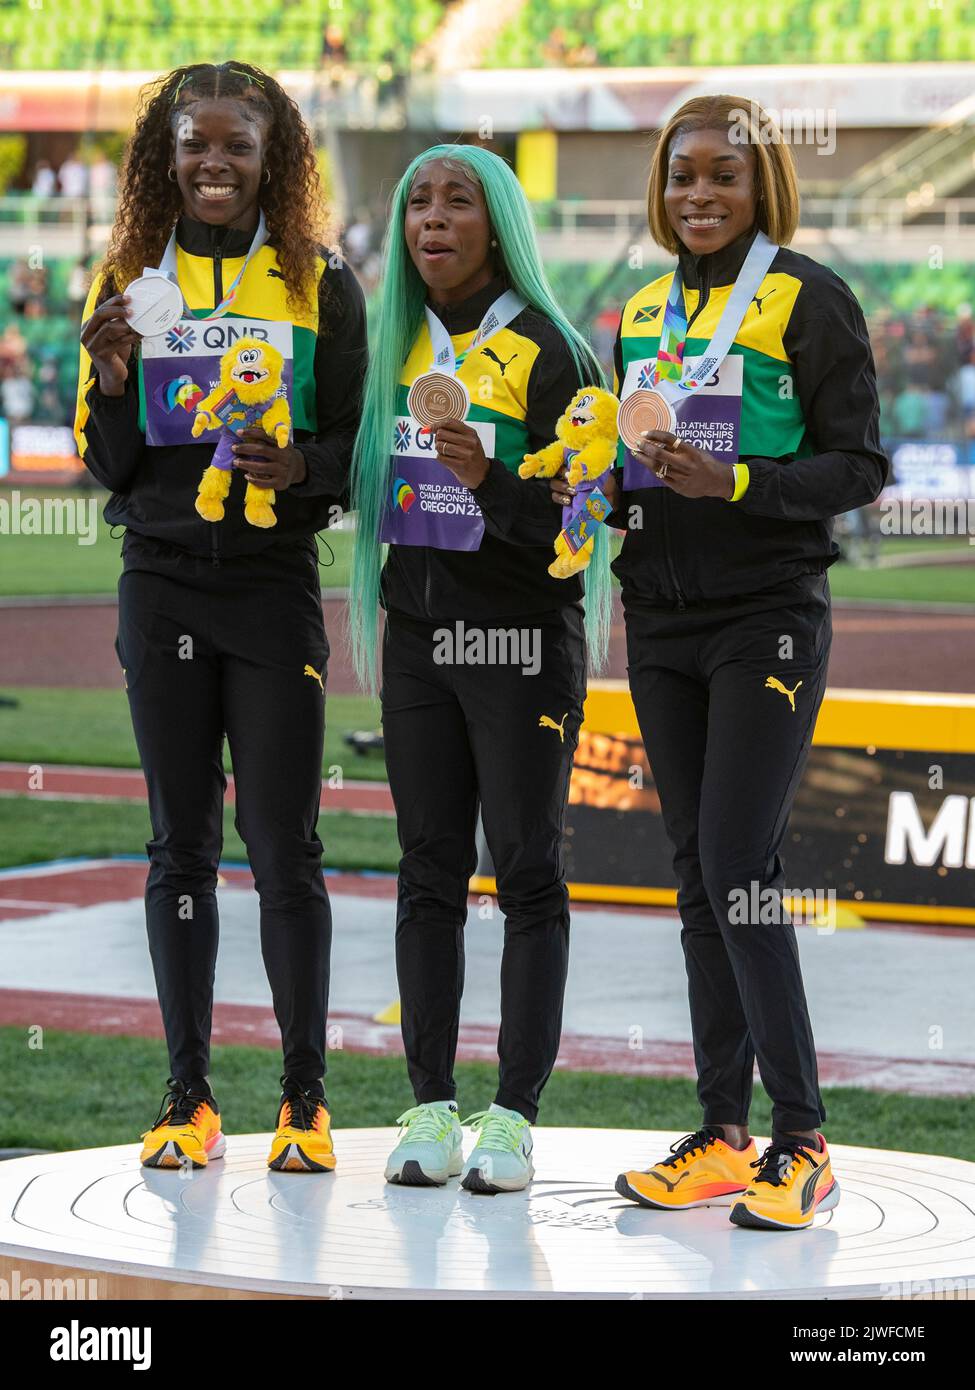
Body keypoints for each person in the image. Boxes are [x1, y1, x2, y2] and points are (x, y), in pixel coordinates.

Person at [552, 95, 886, 1230]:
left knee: (742, 862)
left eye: (722, 178)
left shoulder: (808, 296)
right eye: (682, 175)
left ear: (762, 187)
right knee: (699, 872)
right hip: (663, 620)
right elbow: (637, 460)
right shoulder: (641, 309)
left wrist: (736, 483)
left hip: (768, 616)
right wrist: (592, 487)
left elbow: (860, 466)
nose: (699, 194)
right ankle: (723, 1131)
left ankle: (804, 1138)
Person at [74, 61, 367, 1174]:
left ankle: (304, 1100)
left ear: (270, 158)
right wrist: (107, 381)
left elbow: (352, 447)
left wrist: (299, 465)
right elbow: (110, 466)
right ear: (166, 156)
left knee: (284, 847)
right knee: (178, 847)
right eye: (193, 143)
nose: (212, 162)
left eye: (236, 145)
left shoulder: (317, 284)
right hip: (160, 581)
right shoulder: (131, 282)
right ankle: (187, 1094)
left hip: (270, 586)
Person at [349, 143, 610, 1194]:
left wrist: (489, 477)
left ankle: (513, 1116)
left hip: (522, 647)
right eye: (419, 203)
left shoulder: (556, 352)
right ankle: (429, 1104)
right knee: (427, 872)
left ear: (498, 224)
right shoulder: (394, 341)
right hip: (417, 640)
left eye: (459, 201)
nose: (434, 220)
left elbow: (584, 527)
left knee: (528, 872)